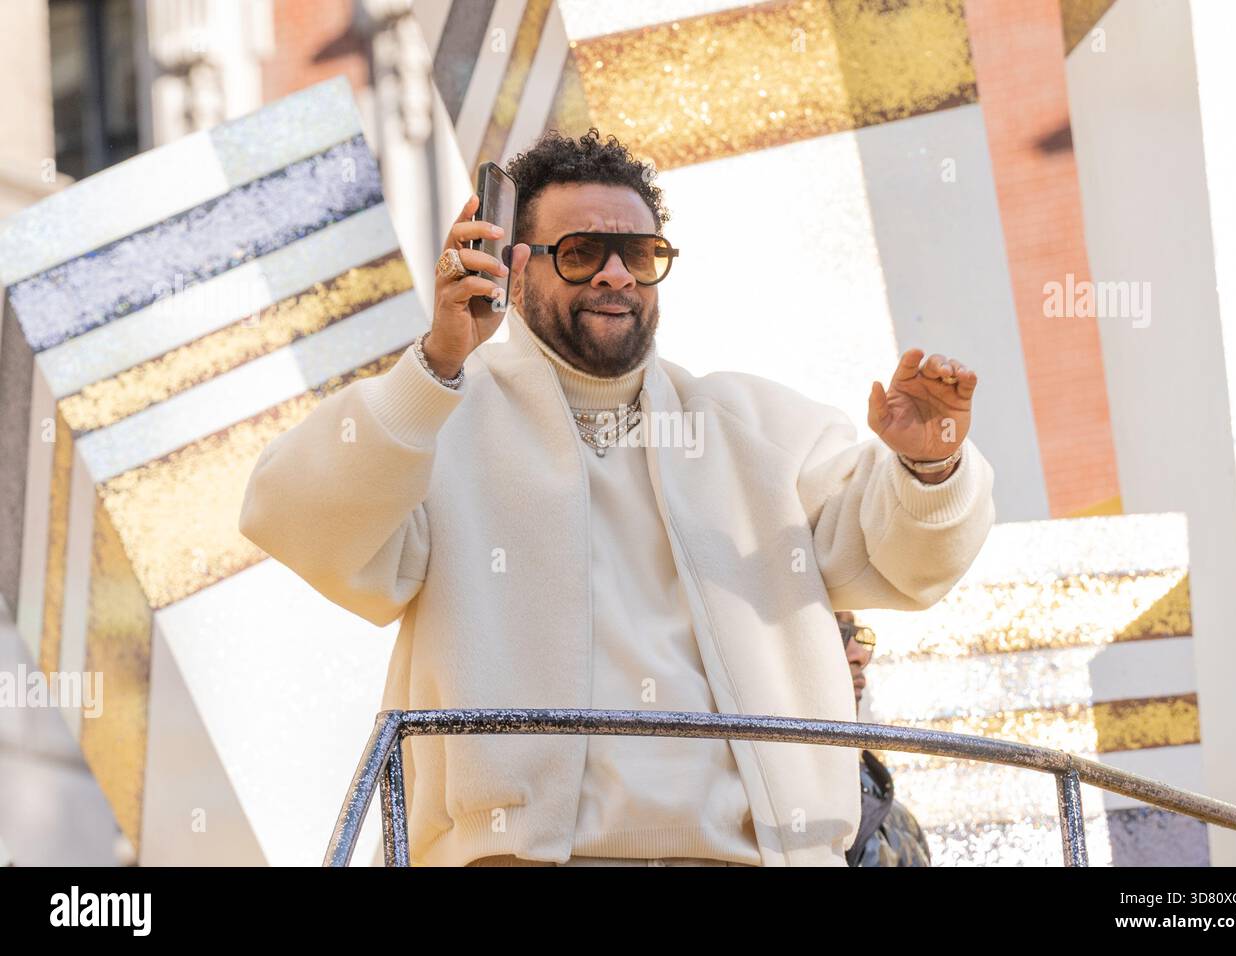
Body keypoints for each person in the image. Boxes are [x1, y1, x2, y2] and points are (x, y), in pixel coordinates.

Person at [238, 128, 996, 866]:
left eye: (637, 254)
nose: (614, 276)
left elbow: (898, 561)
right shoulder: (439, 416)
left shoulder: (756, 428)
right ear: (512, 268)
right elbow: (295, 519)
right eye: (580, 253)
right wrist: (436, 362)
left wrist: (929, 465)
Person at [837, 611, 932, 867]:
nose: (860, 655)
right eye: (836, 629)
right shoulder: (752, 799)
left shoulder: (894, 814)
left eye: (855, 633)